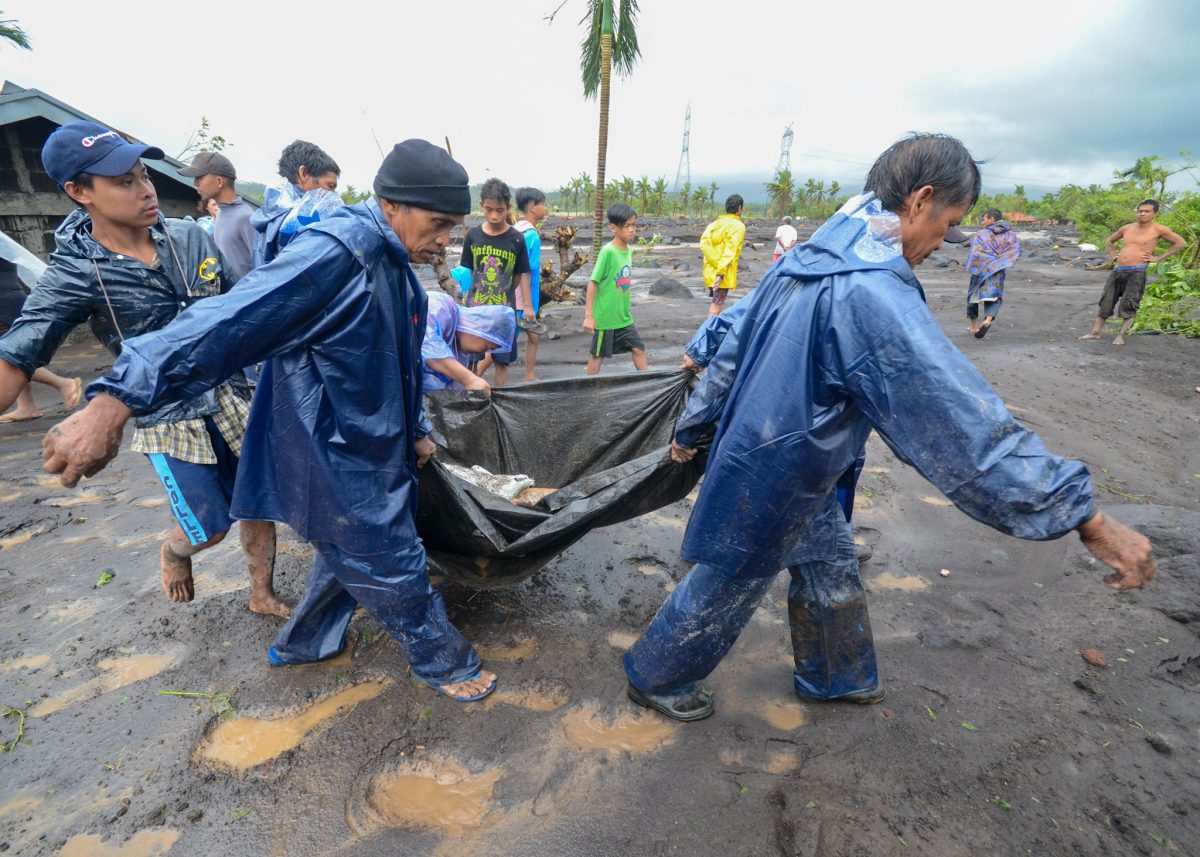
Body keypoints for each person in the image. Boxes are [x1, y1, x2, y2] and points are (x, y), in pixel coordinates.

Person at [622, 133, 1157, 723]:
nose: (941, 240)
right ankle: (657, 674)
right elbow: (959, 422)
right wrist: (1082, 514)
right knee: (735, 571)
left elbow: (729, 338)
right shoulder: (871, 291)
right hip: (782, 465)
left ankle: (835, 674)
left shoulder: (813, 254)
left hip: (789, 454)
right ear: (920, 201)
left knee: (828, 560)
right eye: (949, 222)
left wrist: (697, 423)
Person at [42, 139, 498, 703]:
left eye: (452, 227)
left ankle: (304, 643)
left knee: (345, 556)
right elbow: (227, 320)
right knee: (390, 557)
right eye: (437, 223)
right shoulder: (336, 254)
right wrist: (114, 400)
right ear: (392, 204)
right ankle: (445, 663)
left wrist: (419, 433)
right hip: (334, 453)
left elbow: (399, 360)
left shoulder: (394, 261)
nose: (444, 240)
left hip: (373, 443)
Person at [0, 121, 284, 617]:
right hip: (167, 416)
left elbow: (245, 307)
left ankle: (262, 594)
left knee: (259, 498)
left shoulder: (191, 238)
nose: (147, 190)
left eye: (143, 175)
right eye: (125, 182)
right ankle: (175, 551)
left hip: (234, 394)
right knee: (208, 524)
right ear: (78, 191)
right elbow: (17, 352)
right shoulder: (74, 274)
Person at [1079, 200, 1187, 345]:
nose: (1142, 213)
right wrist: (1113, 256)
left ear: (1155, 213)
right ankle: (1095, 332)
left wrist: (1158, 258)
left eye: (1146, 211)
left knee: (1130, 303)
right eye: (1140, 211)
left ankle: (1121, 336)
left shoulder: (1159, 229)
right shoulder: (1127, 228)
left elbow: (1180, 243)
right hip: (1118, 270)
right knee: (1106, 301)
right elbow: (1110, 241)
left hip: (1137, 271)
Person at [460, 178, 531, 388]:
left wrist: (522, 303)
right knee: (471, 359)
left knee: (502, 360)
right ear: (481, 205)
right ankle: (471, 399)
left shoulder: (516, 239)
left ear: (508, 208)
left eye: (499, 210)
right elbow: (473, 272)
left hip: (503, 310)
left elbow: (520, 275)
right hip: (475, 310)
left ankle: (500, 400)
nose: (494, 215)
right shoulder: (473, 236)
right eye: (489, 209)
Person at [0, 255, 80, 424]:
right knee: (15, 351)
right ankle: (27, 407)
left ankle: (62, 383)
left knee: (10, 357)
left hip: (2, 304)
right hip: (12, 298)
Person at [251, 140, 343, 268]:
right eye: (330, 186)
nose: (333, 195)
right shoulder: (299, 221)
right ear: (304, 173)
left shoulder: (270, 213)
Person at [583, 203, 646, 375]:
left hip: (623, 317)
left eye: (634, 225)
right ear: (613, 228)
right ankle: (588, 390)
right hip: (605, 318)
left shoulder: (629, 251)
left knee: (638, 349)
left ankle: (649, 383)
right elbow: (593, 283)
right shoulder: (607, 252)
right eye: (627, 226)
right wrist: (589, 316)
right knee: (598, 355)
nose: (632, 230)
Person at [179, 152, 256, 280]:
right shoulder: (220, 215)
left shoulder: (245, 217)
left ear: (219, 181)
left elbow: (263, 267)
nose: (195, 183)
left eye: (199, 177)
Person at [422, 290, 515, 393]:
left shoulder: (458, 350)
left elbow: (449, 387)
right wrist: (469, 379)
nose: (482, 352)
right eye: (487, 347)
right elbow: (426, 343)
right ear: (482, 329)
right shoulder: (442, 306)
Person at [966, 208, 1021, 338]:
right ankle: (987, 321)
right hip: (998, 269)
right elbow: (1014, 251)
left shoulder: (982, 233)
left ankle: (974, 326)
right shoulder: (1011, 234)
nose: (983, 221)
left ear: (992, 219)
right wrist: (1000, 262)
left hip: (981, 268)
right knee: (994, 296)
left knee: (973, 294)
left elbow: (976, 251)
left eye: (984, 219)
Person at [514, 187, 550, 381]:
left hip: (519, 296)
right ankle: (474, 376)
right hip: (522, 298)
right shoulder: (531, 236)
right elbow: (525, 271)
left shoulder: (517, 230)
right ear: (532, 207)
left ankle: (529, 374)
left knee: (533, 336)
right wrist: (527, 305)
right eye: (543, 203)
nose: (545, 208)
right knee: (503, 342)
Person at [700, 194, 747, 317]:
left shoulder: (713, 225)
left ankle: (708, 332)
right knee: (715, 309)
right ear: (740, 208)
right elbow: (730, 251)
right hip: (721, 274)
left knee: (716, 306)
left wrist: (715, 264)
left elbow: (705, 245)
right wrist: (720, 272)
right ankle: (706, 334)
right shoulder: (738, 226)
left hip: (710, 271)